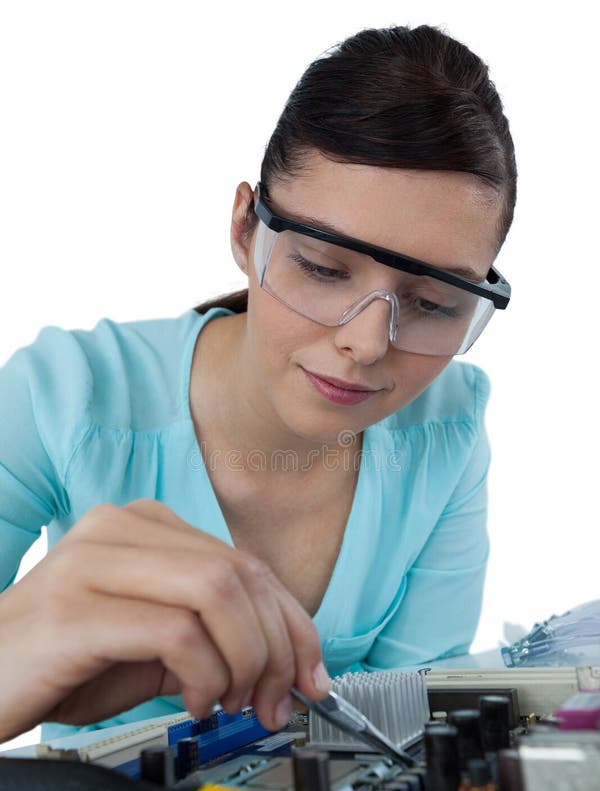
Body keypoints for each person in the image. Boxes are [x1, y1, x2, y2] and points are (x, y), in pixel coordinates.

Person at [0, 23, 516, 745]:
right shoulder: (62, 395)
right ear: (246, 229)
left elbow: (410, 730)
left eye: (434, 304)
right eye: (324, 269)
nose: (366, 345)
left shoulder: (450, 429)